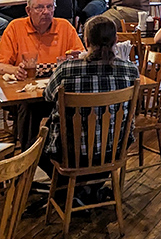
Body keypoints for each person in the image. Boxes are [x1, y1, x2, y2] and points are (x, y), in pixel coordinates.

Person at [42, 15, 139, 170]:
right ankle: (91, 187)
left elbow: (47, 97)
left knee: (39, 137)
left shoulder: (66, 69)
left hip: (72, 153)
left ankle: (75, 189)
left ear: (86, 41)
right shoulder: (130, 70)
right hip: (113, 150)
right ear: (116, 40)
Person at [0, 0, 84, 147]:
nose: (45, 12)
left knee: (78, 104)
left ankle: (66, 152)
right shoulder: (15, 27)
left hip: (57, 92)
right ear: (28, 10)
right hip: (25, 92)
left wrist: (75, 58)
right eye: (39, 8)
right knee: (28, 109)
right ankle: (29, 156)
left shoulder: (64, 27)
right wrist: (15, 70)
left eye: (50, 7)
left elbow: (80, 55)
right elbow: (1, 64)